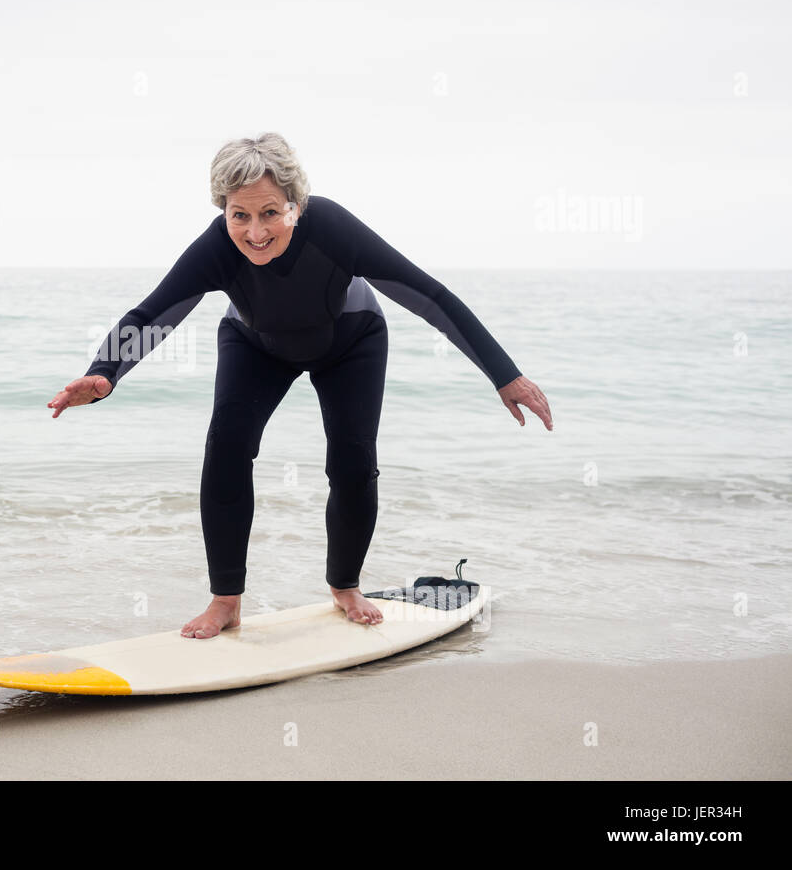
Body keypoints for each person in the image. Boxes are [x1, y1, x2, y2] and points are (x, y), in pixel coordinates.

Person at [47, 133, 552, 639]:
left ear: (296, 204)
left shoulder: (331, 227)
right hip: (255, 344)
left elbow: (427, 294)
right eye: (239, 215)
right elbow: (155, 312)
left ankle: (345, 585)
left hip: (351, 340)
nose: (255, 231)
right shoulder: (217, 246)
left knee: (352, 461)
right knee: (226, 449)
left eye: (270, 212)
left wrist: (503, 373)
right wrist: (105, 372)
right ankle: (225, 600)